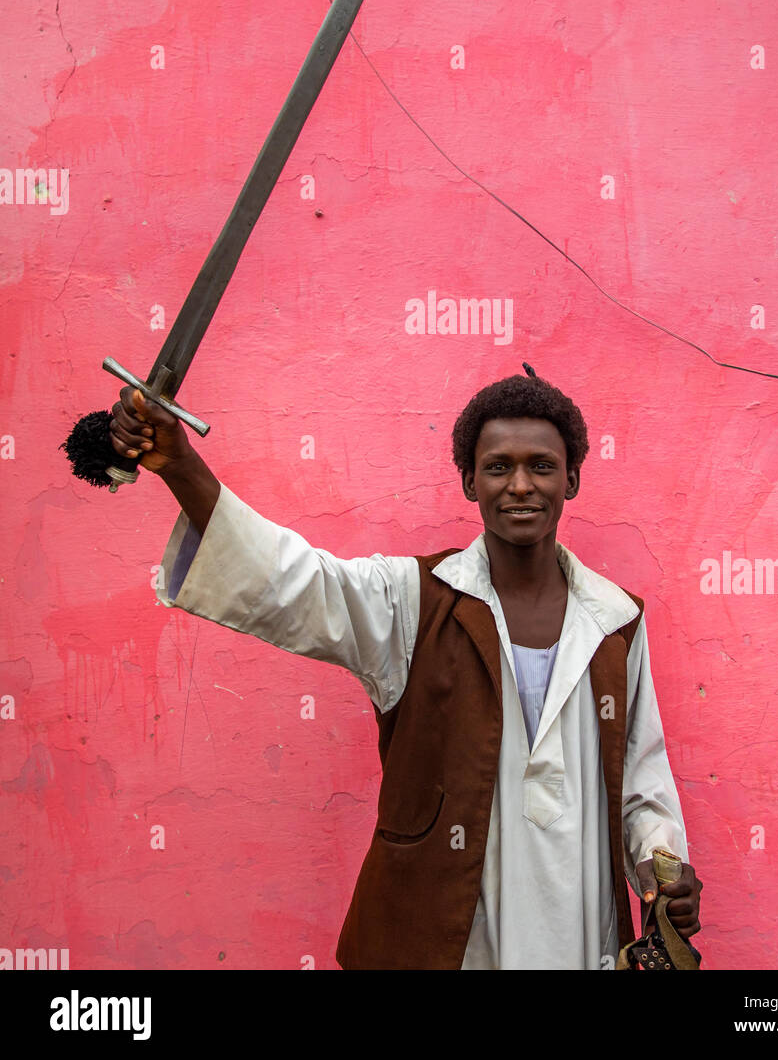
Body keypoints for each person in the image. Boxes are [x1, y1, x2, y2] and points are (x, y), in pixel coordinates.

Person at [109, 367, 702, 970]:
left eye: (542, 466)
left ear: (572, 478)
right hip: (442, 939)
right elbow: (294, 580)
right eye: (498, 467)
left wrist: (665, 868)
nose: (521, 485)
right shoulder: (413, 598)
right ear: (469, 481)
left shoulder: (616, 620)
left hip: (578, 930)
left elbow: (639, 778)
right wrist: (181, 465)